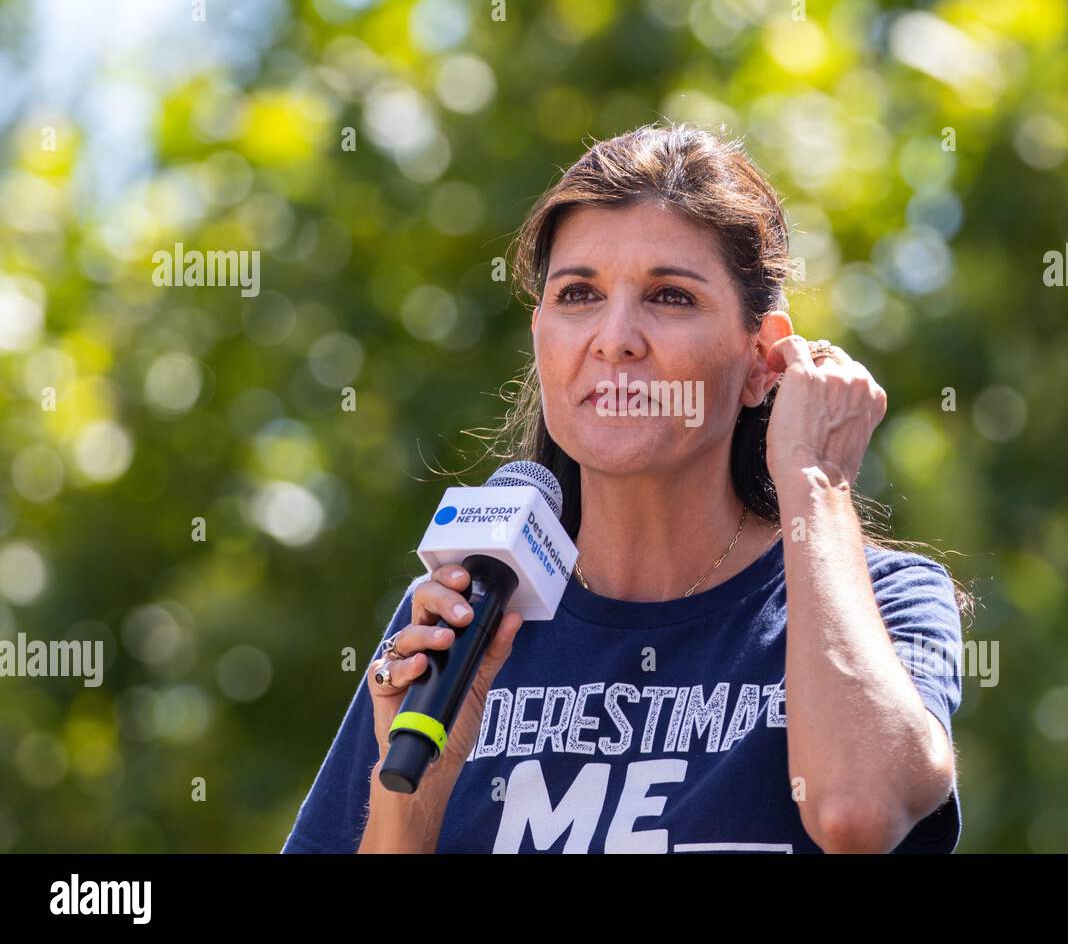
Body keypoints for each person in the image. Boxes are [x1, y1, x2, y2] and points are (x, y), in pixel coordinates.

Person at [283, 122, 973, 854]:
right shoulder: (465, 611)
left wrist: (815, 479)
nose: (615, 338)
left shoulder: (888, 599)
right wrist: (416, 802)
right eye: (578, 293)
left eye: (670, 297)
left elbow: (855, 813)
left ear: (764, 361)